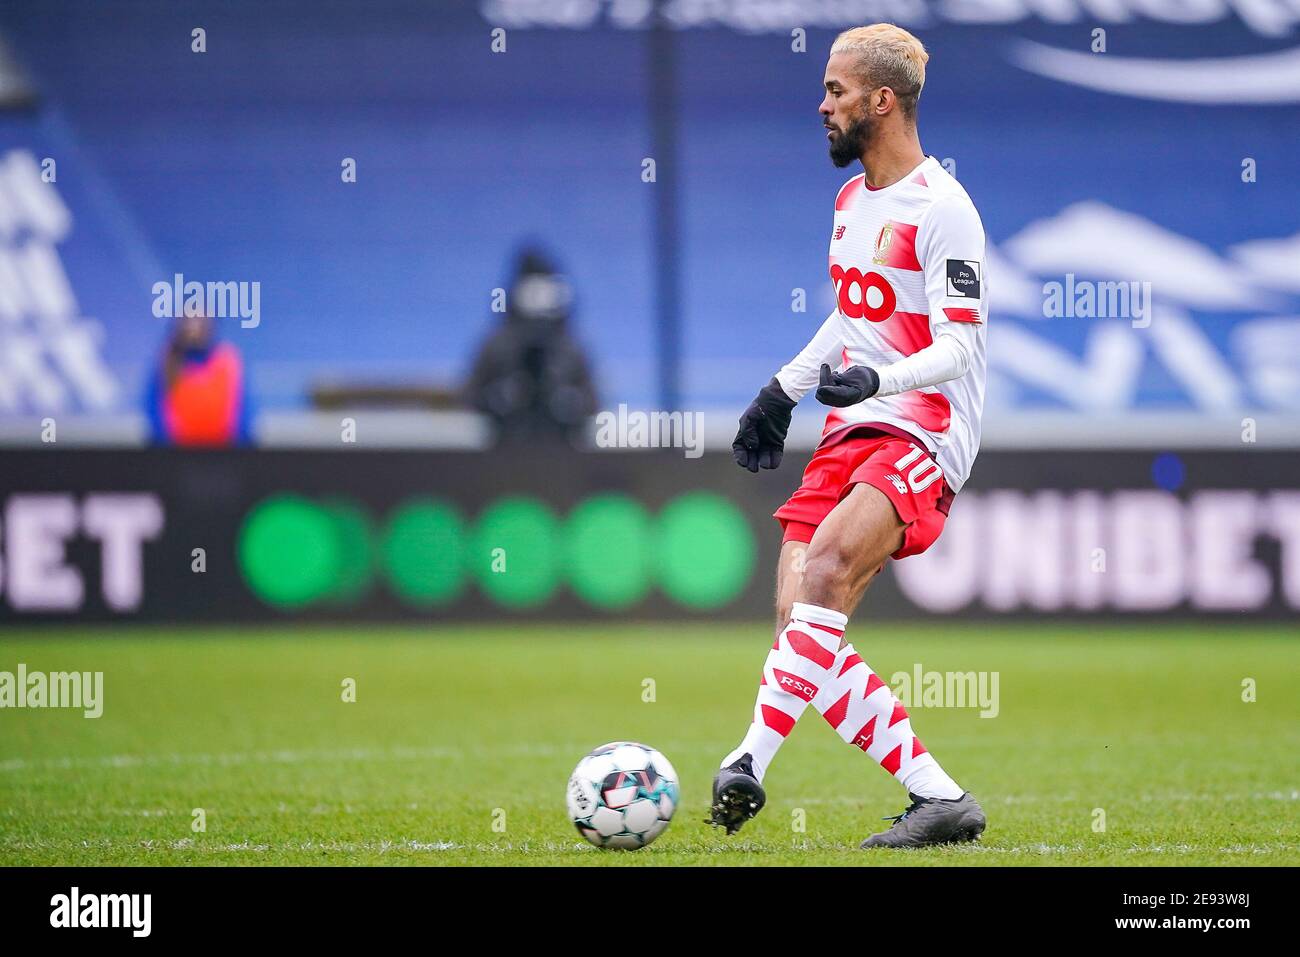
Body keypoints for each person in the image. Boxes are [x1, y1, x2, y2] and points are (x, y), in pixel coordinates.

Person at [712, 24, 990, 848]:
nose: (821, 105)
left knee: (827, 568)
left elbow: (960, 346)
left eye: (835, 92)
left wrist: (881, 380)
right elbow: (853, 312)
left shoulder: (945, 209)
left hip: (926, 425)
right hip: (853, 425)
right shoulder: (850, 201)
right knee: (799, 621)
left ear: (882, 100)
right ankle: (940, 798)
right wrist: (781, 389)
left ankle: (748, 760)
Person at [463, 247, 598, 444]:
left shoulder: (569, 347)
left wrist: (570, 402)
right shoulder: (498, 343)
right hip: (506, 450)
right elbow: (471, 395)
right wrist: (497, 398)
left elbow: (592, 400)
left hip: (560, 452)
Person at [145, 311, 251, 446]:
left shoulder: (228, 360)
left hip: (223, 455)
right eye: (189, 320)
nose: (194, 326)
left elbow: (243, 413)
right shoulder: (166, 362)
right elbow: (155, 413)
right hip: (176, 456)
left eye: (200, 320)